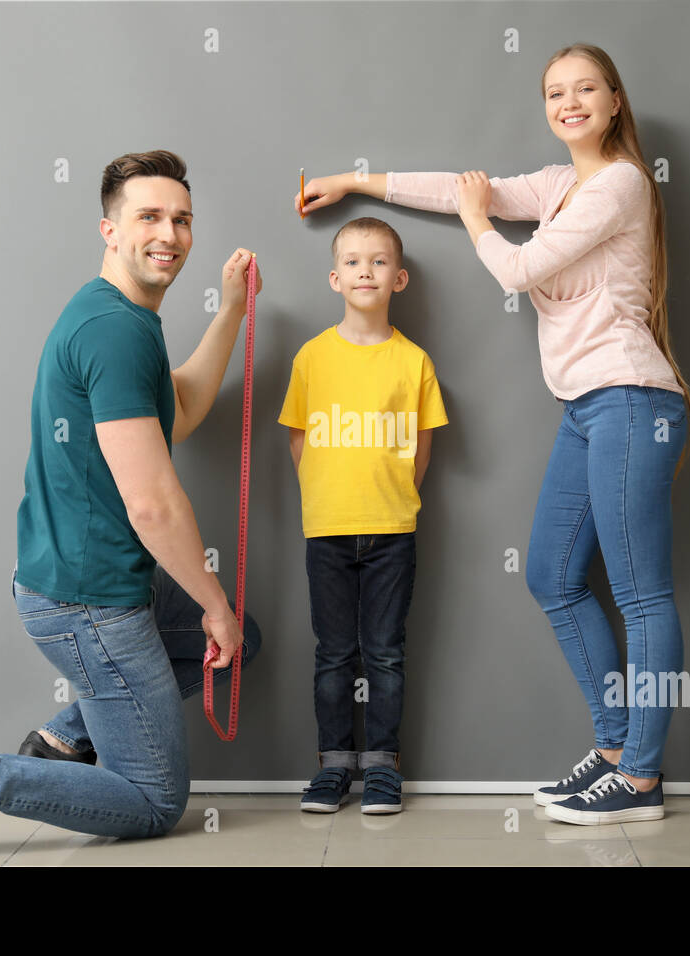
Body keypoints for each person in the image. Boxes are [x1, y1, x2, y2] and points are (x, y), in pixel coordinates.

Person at [295, 44, 690, 825]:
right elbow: (457, 190)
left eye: (586, 89)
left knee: (642, 593)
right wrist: (353, 181)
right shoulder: (560, 185)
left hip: (633, 398)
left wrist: (482, 220)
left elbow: (519, 269)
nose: (569, 102)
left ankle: (641, 778)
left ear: (616, 102)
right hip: (586, 405)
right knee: (552, 575)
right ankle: (615, 749)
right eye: (555, 92)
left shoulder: (619, 184)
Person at [0, 150, 262, 852]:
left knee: (241, 639)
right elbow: (152, 504)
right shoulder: (115, 331)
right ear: (109, 229)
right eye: (149, 217)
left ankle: (63, 740)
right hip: (90, 604)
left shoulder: (119, 315)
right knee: (151, 802)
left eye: (182, 219)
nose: (169, 234)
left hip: (94, 583)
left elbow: (184, 410)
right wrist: (211, 603)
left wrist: (231, 309)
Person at [277, 217, 448, 814]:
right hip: (325, 529)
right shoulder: (312, 357)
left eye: (378, 262)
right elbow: (298, 438)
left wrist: (391, 496)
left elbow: (422, 446)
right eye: (352, 261)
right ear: (334, 277)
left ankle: (381, 766)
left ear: (398, 278)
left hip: (392, 531)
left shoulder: (414, 361)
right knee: (332, 653)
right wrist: (329, 493)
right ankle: (332, 766)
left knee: (385, 652)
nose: (365, 271)